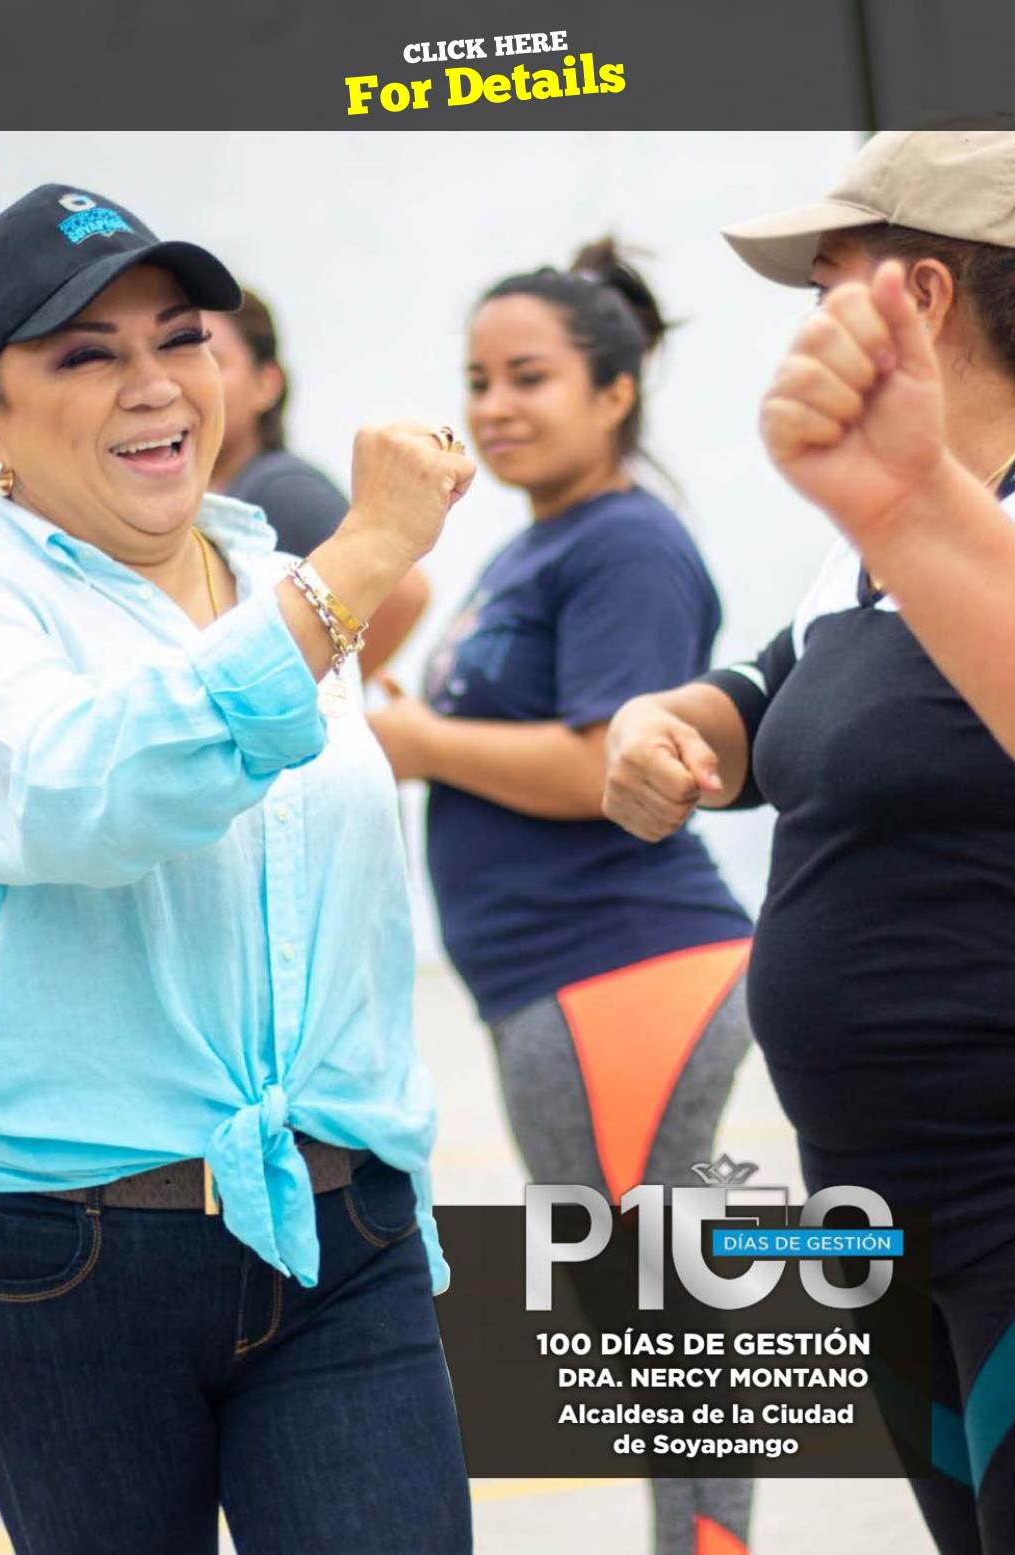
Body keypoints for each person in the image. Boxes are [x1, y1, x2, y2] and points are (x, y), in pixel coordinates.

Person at [0, 183, 475, 1555]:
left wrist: (386, 1154)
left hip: (339, 1232)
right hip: (72, 1261)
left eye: (180, 336)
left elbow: (354, 909)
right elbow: (91, 788)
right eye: (84, 353)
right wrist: (361, 561)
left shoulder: (273, 579)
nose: (152, 384)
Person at [603, 128, 1015, 1555]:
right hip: (880, 1197)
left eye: (827, 278)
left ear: (924, 297)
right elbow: (760, 697)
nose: (807, 317)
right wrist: (664, 726)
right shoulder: (860, 552)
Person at [368, 239, 756, 1555]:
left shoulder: (629, 541)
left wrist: (420, 745)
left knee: (658, 1318)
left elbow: (612, 760)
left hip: (619, 971)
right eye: (478, 377)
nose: (493, 404)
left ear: (615, 393)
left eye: (529, 376)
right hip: (565, 982)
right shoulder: (539, 542)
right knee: (636, 1315)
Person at [207, 287, 429, 676]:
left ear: (266, 384)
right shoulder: (222, 497)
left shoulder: (280, 490)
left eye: (212, 361)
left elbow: (404, 591)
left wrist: (318, 691)